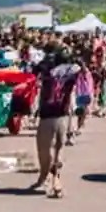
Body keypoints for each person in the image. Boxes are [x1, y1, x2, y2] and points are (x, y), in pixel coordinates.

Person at [31, 47, 80, 198]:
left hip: (47, 115)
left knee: (45, 150)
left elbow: (34, 71)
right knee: (59, 148)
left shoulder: (49, 73)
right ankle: (55, 178)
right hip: (63, 114)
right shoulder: (72, 72)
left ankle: (47, 178)